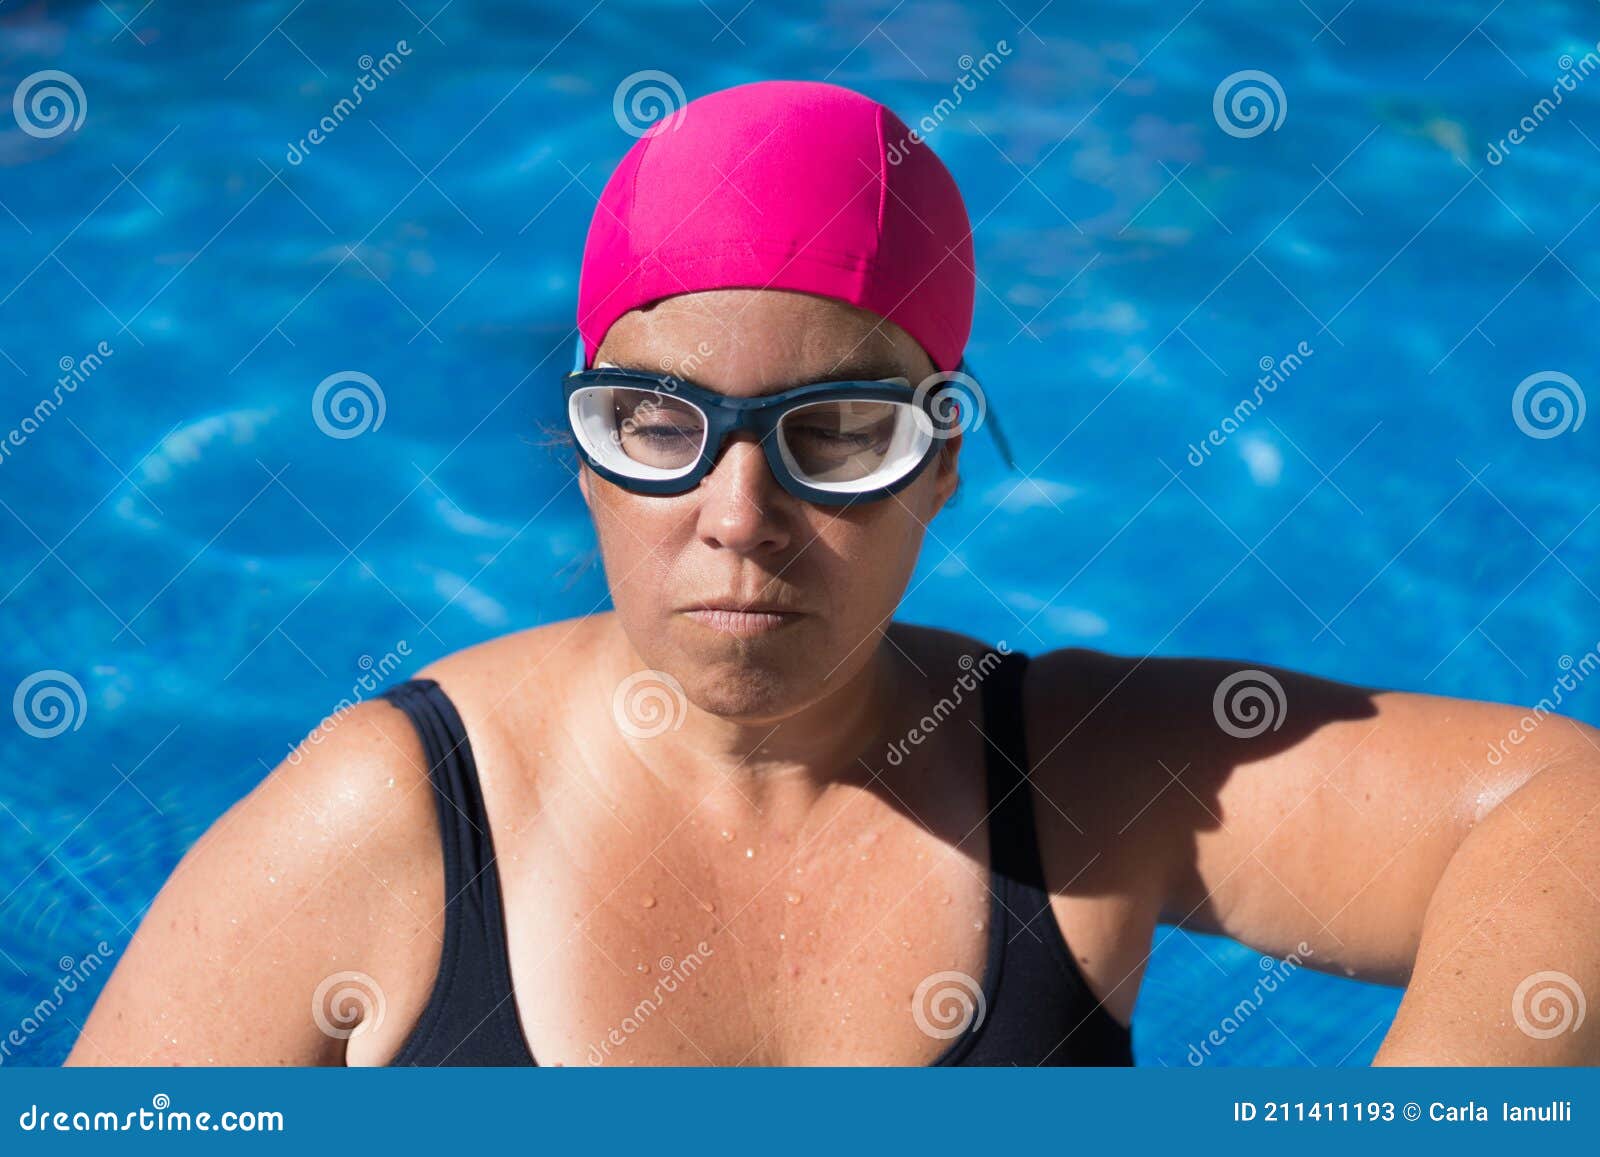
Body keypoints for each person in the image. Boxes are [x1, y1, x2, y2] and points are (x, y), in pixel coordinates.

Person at [68, 80, 1599, 1068]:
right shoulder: (394, 823)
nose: (740, 510)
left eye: (838, 435)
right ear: (586, 450)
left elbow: (1564, 807)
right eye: (662, 425)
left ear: (939, 461)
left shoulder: (1075, 775)